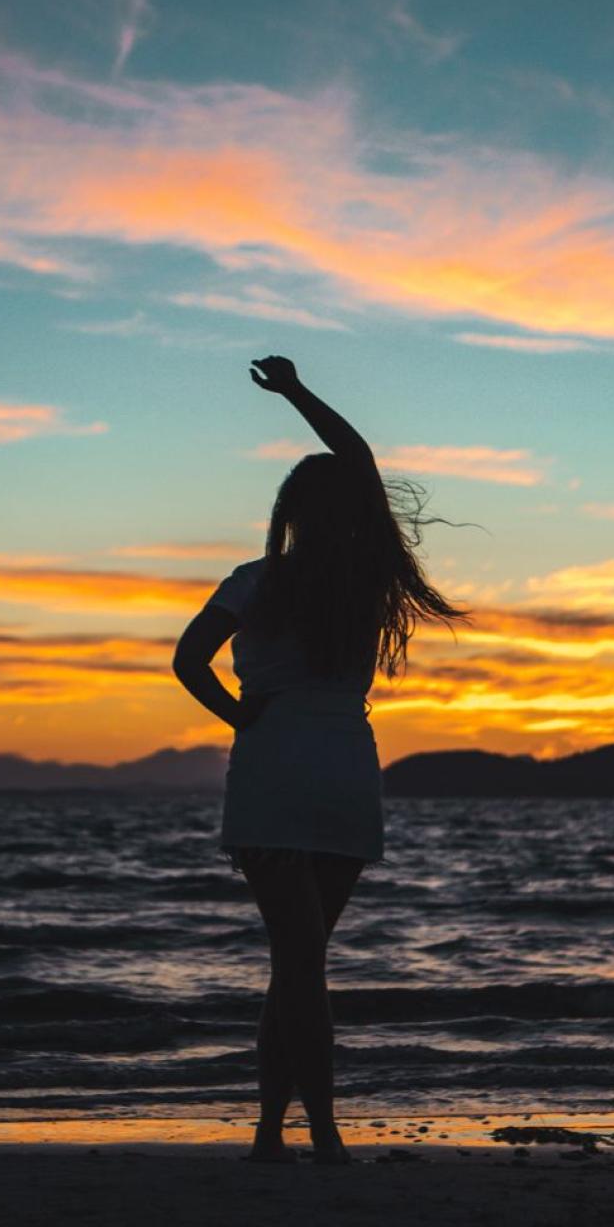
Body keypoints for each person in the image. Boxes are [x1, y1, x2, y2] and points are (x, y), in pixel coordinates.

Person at [172, 356, 472, 1166]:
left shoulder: (257, 580)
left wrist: (240, 715)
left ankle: (281, 1133)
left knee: (296, 964)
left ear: (292, 512)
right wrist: (299, 394)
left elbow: (186, 661)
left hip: (275, 775)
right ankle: (315, 1134)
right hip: (343, 774)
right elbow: (366, 466)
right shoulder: (364, 582)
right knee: (301, 963)